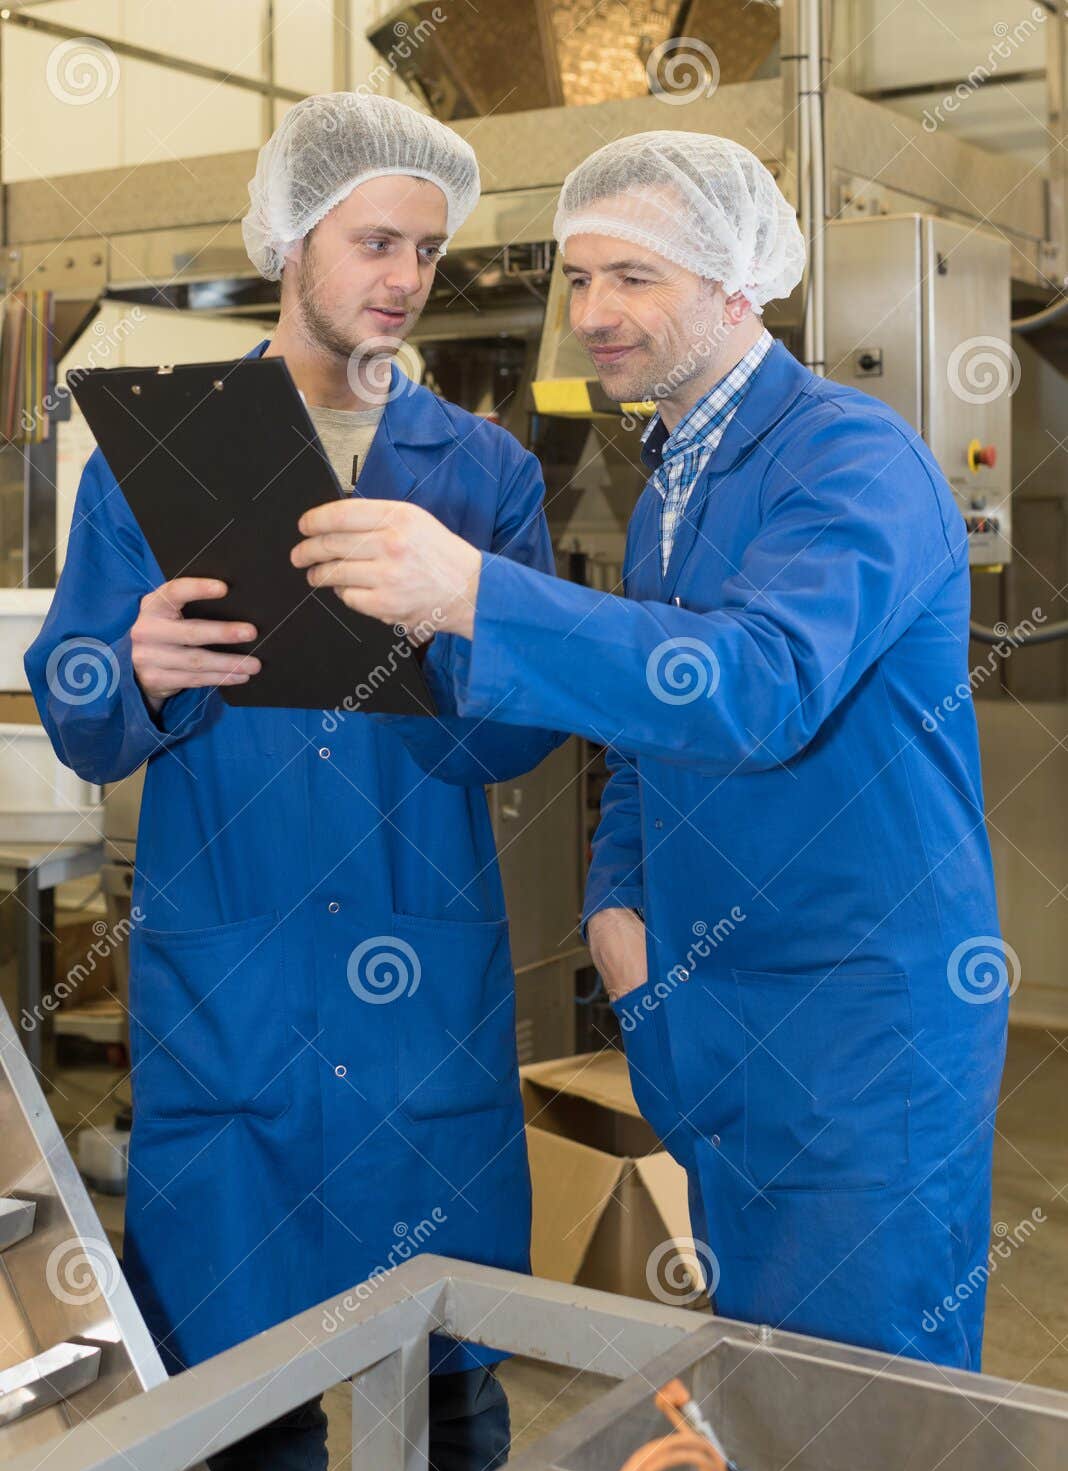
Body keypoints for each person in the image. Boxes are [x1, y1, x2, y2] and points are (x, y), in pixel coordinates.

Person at [290, 131, 1007, 1374]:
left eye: (635, 278)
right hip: (716, 1016)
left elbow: (758, 685)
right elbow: (645, 728)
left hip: (859, 1027)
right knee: (765, 1387)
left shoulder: (849, 457)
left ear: (737, 286)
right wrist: (620, 912)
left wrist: (476, 594)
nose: (593, 315)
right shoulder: (675, 472)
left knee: (873, 1422)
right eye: (578, 279)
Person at [26, 91, 563, 1471]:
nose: (404, 276)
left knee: (450, 1365)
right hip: (233, 981)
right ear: (290, 238)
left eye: (430, 251)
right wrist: (128, 663)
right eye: (375, 240)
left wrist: (459, 617)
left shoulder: (483, 472)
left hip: (421, 1001)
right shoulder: (150, 458)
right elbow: (79, 710)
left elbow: (522, 739)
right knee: (238, 1373)